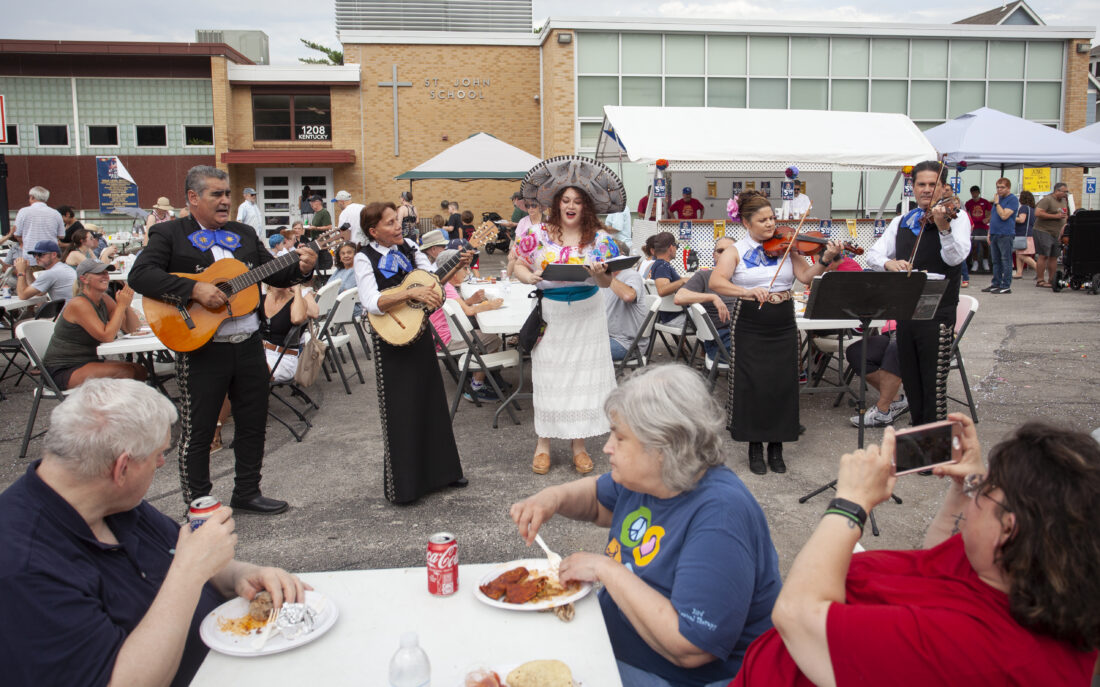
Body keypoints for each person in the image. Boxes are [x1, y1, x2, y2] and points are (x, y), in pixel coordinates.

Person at [733, 414, 1100, 687]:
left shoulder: (971, 652)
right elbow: (937, 563)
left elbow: (796, 615)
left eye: (987, 491)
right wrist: (964, 486)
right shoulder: (1023, 569)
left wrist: (851, 502)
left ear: (1008, 530)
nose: (978, 491)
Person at [0, 378, 309, 687]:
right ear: (122, 468)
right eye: (158, 454)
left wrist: (242, 574)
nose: (162, 462)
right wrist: (188, 572)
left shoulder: (107, 500)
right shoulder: (24, 567)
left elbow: (182, 553)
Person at [510, 365, 782, 687]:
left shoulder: (721, 517)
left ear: (665, 447)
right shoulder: (650, 480)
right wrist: (552, 498)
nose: (607, 447)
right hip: (623, 647)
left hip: (679, 677)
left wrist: (606, 569)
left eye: (620, 437)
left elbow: (690, 648)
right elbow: (597, 500)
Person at [129, 165, 317, 515]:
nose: (225, 201)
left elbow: (274, 271)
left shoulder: (243, 233)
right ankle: (199, 501)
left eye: (227, 194)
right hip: (201, 346)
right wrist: (194, 288)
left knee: (253, 422)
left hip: (248, 344)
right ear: (192, 198)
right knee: (200, 429)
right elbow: (140, 275)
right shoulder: (170, 233)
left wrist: (302, 267)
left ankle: (247, 491)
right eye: (216, 194)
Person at [709, 190, 843, 475]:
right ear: (746, 223)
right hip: (751, 321)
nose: (770, 224)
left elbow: (807, 277)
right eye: (762, 220)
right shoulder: (735, 251)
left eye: (772, 218)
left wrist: (827, 258)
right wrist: (745, 291)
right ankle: (755, 446)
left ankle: (777, 447)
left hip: (782, 320)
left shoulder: (789, 246)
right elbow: (717, 282)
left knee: (783, 383)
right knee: (754, 384)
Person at [353, 201, 470, 504]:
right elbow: (371, 301)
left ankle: (444, 473)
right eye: (390, 223)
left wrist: (455, 265)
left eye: (398, 221)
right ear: (373, 230)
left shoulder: (409, 248)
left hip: (417, 331)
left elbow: (431, 280)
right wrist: (409, 293)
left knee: (431, 401)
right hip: (389, 338)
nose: (398, 227)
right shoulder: (363, 258)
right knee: (401, 410)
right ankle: (405, 486)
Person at [513, 156, 623, 476]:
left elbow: (607, 282)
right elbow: (519, 263)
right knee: (549, 378)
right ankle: (543, 445)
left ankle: (579, 446)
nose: (570, 205)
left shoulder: (601, 239)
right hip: (552, 313)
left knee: (581, 381)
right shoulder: (538, 233)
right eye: (565, 200)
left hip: (588, 314)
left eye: (577, 201)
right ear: (556, 204)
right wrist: (527, 277)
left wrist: (601, 273)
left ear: (585, 207)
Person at [866, 160, 971, 427]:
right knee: (911, 381)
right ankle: (918, 438)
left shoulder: (955, 218)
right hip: (906, 310)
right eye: (921, 184)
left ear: (944, 187)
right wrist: (889, 263)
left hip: (937, 313)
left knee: (932, 385)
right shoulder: (903, 220)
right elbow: (873, 254)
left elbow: (955, 257)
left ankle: (934, 448)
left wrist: (944, 228)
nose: (926, 190)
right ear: (912, 187)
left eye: (932, 185)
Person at [40, 260, 146, 389]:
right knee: (126, 372)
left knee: (140, 371)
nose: (105, 276)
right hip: (63, 369)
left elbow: (133, 329)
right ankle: (114, 407)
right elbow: (106, 336)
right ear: (84, 279)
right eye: (99, 273)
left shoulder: (104, 299)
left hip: (87, 360)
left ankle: (125, 407)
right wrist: (121, 306)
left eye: (106, 273)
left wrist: (126, 306)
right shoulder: (79, 303)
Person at [429, 248, 505, 401]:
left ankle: (490, 377)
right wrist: (490, 305)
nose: (467, 271)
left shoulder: (443, 285)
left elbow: (460, 306)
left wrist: (473, 301)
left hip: (441, 337)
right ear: (452, 270)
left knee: (482, 334)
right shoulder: (447, 288)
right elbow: (469, 311)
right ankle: (477, 385)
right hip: (447, 340)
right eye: (464, 268)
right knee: (493, 339)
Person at [673, 237, 736, 361]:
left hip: (747, 332)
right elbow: (679, 297)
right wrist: (712, 297)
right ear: (714, 255)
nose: (724, 255)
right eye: (720, 251)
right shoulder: (704, 276)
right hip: (721, 339)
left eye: (729, 251)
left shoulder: (745, 278)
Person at [842, 324, 908, 427]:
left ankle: (882, 412)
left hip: (913, 333)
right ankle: (897, 401)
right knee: (856, 353)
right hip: (890, 332)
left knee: (896, 348)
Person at [260, 283, 318, 383]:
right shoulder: (261, 298)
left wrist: (297, 290)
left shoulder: (296, 301)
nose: (281, 279)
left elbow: (297, 319)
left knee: (251, 372)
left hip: (283, 357)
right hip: (260, 352)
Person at [603, 241, 649, 361]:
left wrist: (607, 275)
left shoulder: (631, 275)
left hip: (628, 344)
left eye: (608, 253)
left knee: (582, 353)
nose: (604, 256)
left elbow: (629, 296)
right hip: (607, 337)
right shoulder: (603, 278)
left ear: (621, 256)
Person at [14, 186, 65, 267]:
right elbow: (61, 235)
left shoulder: (23, 212)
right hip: (51, 257)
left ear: (32, 197)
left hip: (30, 256)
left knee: (31, 278)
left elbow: (17, 234)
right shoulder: (56, 213)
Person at [985, 177, 1019, 295]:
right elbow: (993, 217)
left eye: (1002, 187)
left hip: (1005, 233)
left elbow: (1004, 215)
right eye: (998, 187)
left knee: (1006, 260)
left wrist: (997, 203)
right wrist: (989, 232)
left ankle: (1006, 285)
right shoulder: (997, 200)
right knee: (995, 261)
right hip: (995, 232)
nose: (999, 190)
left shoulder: (1012, 200)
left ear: (1008, 188)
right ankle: (996, 283)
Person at [648, 231, 689, 328]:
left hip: (668, 316)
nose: (676, 249)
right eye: (676, 247)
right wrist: (682, 281)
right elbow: (662, 290)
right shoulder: (662, 266)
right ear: (671, 247)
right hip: (676, 317)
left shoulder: (658, 265)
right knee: (714, 314)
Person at [1034, 182, 1068, 288]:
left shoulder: (1063, 200)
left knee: (1054, 256)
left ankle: (1052, 280)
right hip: (1043, 230)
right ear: (1057, 191)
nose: (1066, 194)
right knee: (1044, 255)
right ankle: (1040, 280)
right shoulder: (1047, 200)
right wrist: (1055, 216)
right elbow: (1038, 213)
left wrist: (1064, 228)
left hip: (1057, 232)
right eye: (1064, 192)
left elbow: (1064, 215)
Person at [964, 185, 992, 274]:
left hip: (983, 227)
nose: (974, 194)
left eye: (976, 192)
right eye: (973, 192)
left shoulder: (985, 202)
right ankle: (975, 262)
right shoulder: (968, 203)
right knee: (974, 245)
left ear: (978, 192)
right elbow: (965, 213)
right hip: (974, 227)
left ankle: (985, 261)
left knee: (985, 244)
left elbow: (992, 212)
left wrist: (987, 219)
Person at [1013, 190, 1037, 279]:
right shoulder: (1032, 209)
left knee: (1021, 255)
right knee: (1019, 253)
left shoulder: (1023, 208)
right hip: (1030, 234)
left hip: (1022, 234)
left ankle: (1039, 269)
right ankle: (1019, 273)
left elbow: (1021, 219)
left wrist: (1011, 217)